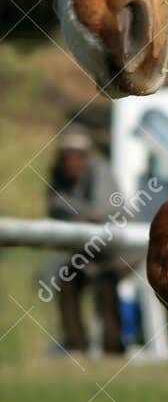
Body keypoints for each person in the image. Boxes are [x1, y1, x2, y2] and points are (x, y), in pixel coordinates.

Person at [45, 126, 124, 354]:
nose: (71, 162)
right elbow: (54, 205)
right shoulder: (58, 175)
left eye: (76, 156)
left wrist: (76, 214)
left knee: (107, 281)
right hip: (86, 252)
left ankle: (113, 348)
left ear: (85, 156)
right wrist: (82, 215)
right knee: (66, 281)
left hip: (117, 252)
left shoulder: (99, 171)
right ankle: (76, 346)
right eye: (66, 157)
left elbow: (103, 211)